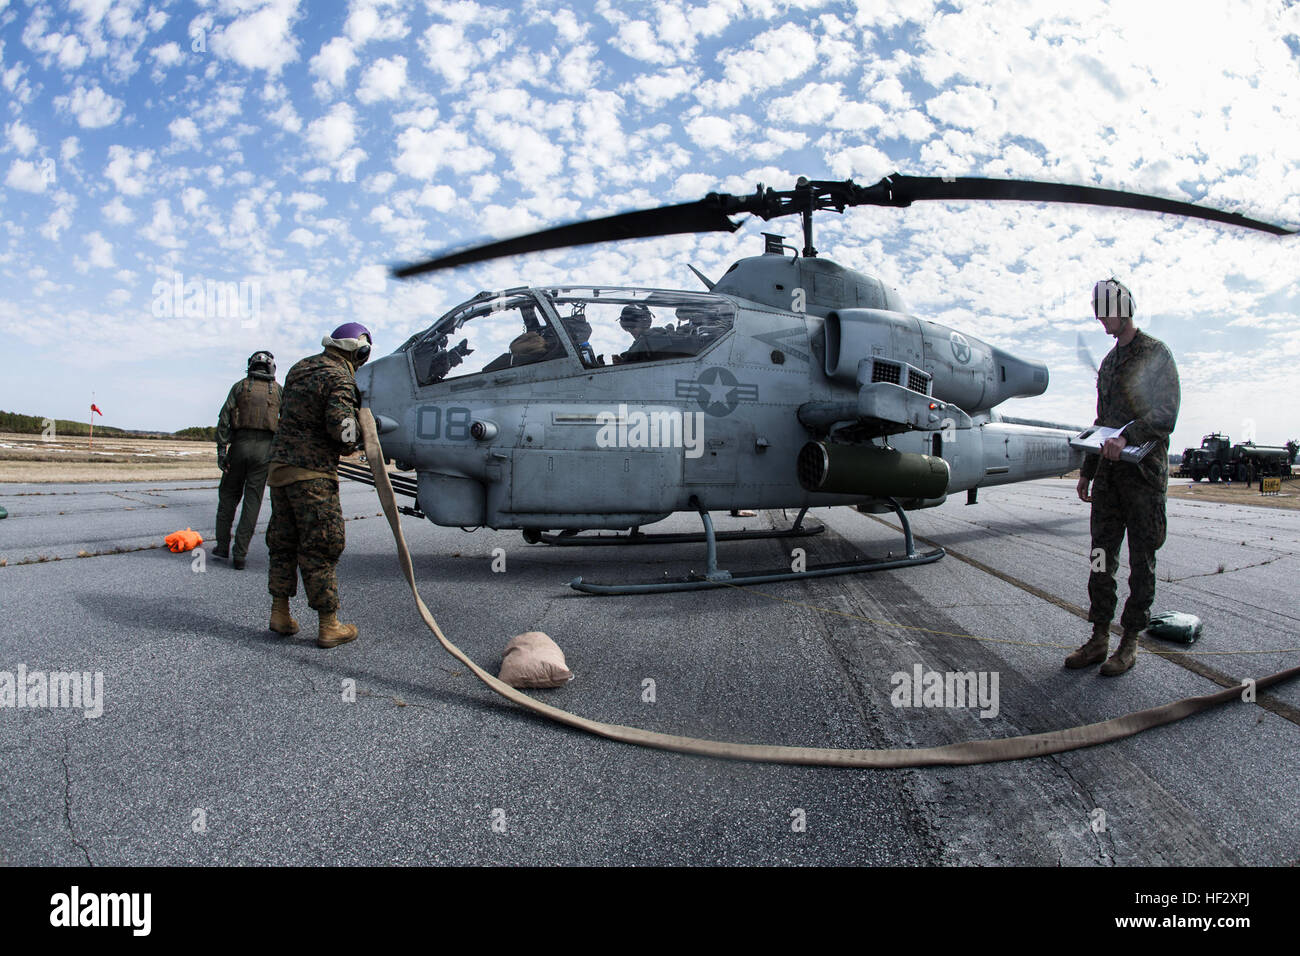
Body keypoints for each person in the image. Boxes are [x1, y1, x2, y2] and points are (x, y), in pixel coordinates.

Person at [1070, 279, 1180, 675]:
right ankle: (1099, 637)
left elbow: (1165, 415)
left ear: (1125, 308)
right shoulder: (1109, 363)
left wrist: (1127, 437)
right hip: (1109, 479)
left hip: (1144, 478)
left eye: (1105, 310)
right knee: (1101, 557)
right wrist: (1088, 471)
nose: (1100, 318)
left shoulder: (1155, 354)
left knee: (1141, 561)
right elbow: (1101, 422)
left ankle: (1129, 640)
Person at [265, 323, 372, 649]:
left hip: (280, 471)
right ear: (360, 351)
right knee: (322, 546)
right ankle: (329, 625)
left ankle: (280, 613)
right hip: (312, 475)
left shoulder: (300, 368)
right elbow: (341, 432)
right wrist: (362, 434)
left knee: (284, 543)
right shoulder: (340, 377)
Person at [214, 351, 282, 570]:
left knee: (228, 497)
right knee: (252, 502)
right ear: (272, 368)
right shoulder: (279, 391)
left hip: (239, 447)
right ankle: (240, 555)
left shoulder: (240, 387)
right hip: (265, 452)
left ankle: (222, 546)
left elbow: (224, 418)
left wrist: (222, 450)